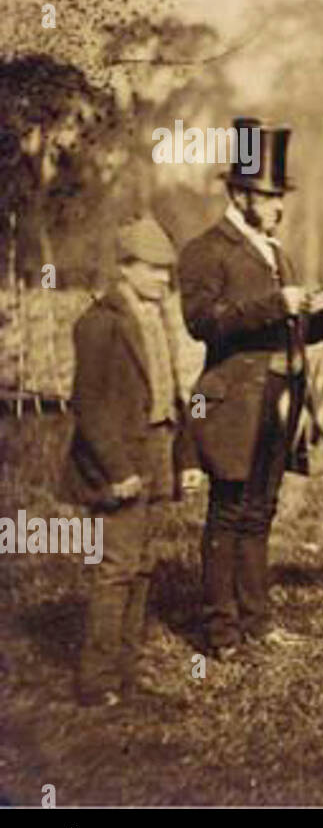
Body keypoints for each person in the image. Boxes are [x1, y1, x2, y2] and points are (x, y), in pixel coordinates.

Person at [178, 117, 323, 659]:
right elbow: (203, 322)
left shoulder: (278, 253)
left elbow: (292, 329)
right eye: (270, 196)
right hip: (233, 403)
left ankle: (257, 623)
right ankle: (222, 634)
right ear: (240, 195)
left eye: (281, 197)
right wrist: (276, 304)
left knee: (261, 512)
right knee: (228, 513)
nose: (279, 206)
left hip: (280, 400)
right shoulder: (206, 249)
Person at [62, 217, 204, 707]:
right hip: (119, 462)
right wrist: (118, 469)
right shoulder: (99, 323)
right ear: (125, 268)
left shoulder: (157, 319)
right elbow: (89, 405)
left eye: (168, 270)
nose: (164, 279)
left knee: (142, 565)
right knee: (117, 567)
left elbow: (175, 397)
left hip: (158, 449)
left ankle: (126, 673)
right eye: (154, 269)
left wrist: (185, 457)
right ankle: (97, 680)